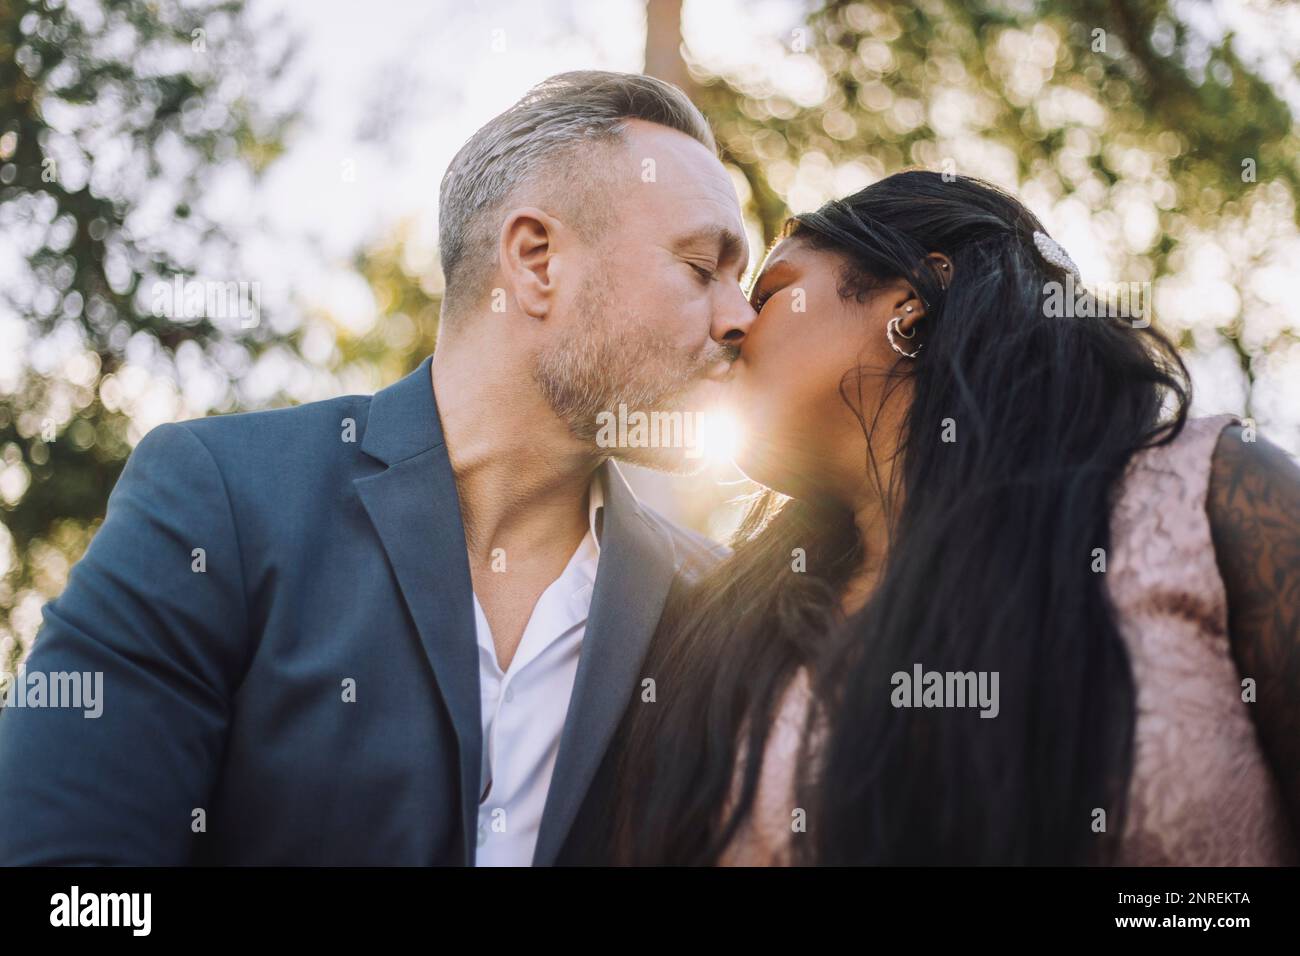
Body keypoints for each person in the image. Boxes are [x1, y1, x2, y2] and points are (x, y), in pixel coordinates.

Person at [0, 70, 753, 866]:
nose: (741, 317)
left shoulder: (719, 606)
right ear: (536, 261)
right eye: (704, 267)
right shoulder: (220, 501)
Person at [600, 170, 1300, 866]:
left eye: (772, 292)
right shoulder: (711, 632)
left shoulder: (1207, 497)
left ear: (910, 301)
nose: (735, 326)